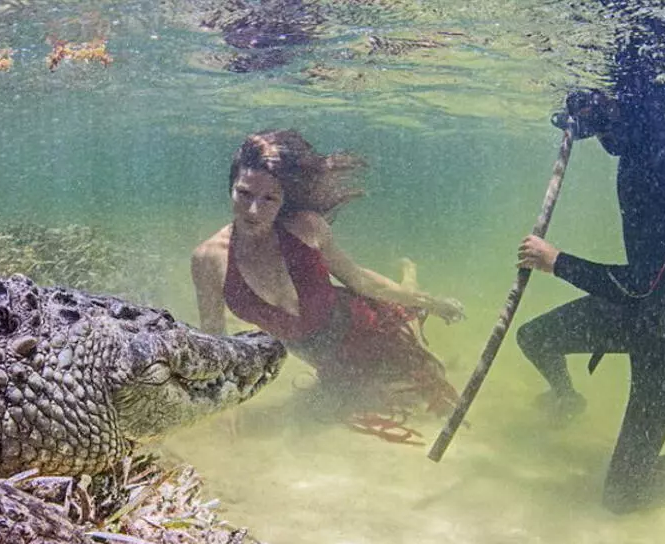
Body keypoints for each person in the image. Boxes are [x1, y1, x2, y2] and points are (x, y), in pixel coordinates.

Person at [516, 89, 665, 513]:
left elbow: (642, 285)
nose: (603, 137)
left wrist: (556, 262)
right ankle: (568, 399)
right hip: (633, 313)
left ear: (637, 103)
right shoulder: (638, 147)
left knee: (623, 497)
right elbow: (640, 290)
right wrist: (579, 115)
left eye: (608, 119)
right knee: (534, 339)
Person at [191, 130, 464, 438]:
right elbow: (214, 341)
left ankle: (410, 277)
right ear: (231, 188)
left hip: (366, 326)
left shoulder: (306, 228)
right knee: (346, 409)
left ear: (283, 200)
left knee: (426, 396)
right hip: (319, 356)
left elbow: (359, 280)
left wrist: (432, 303)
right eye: (244, 194)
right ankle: (409, 281)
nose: (254, 210)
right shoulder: (207, 260)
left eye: (269, 198)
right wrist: (222, 406)